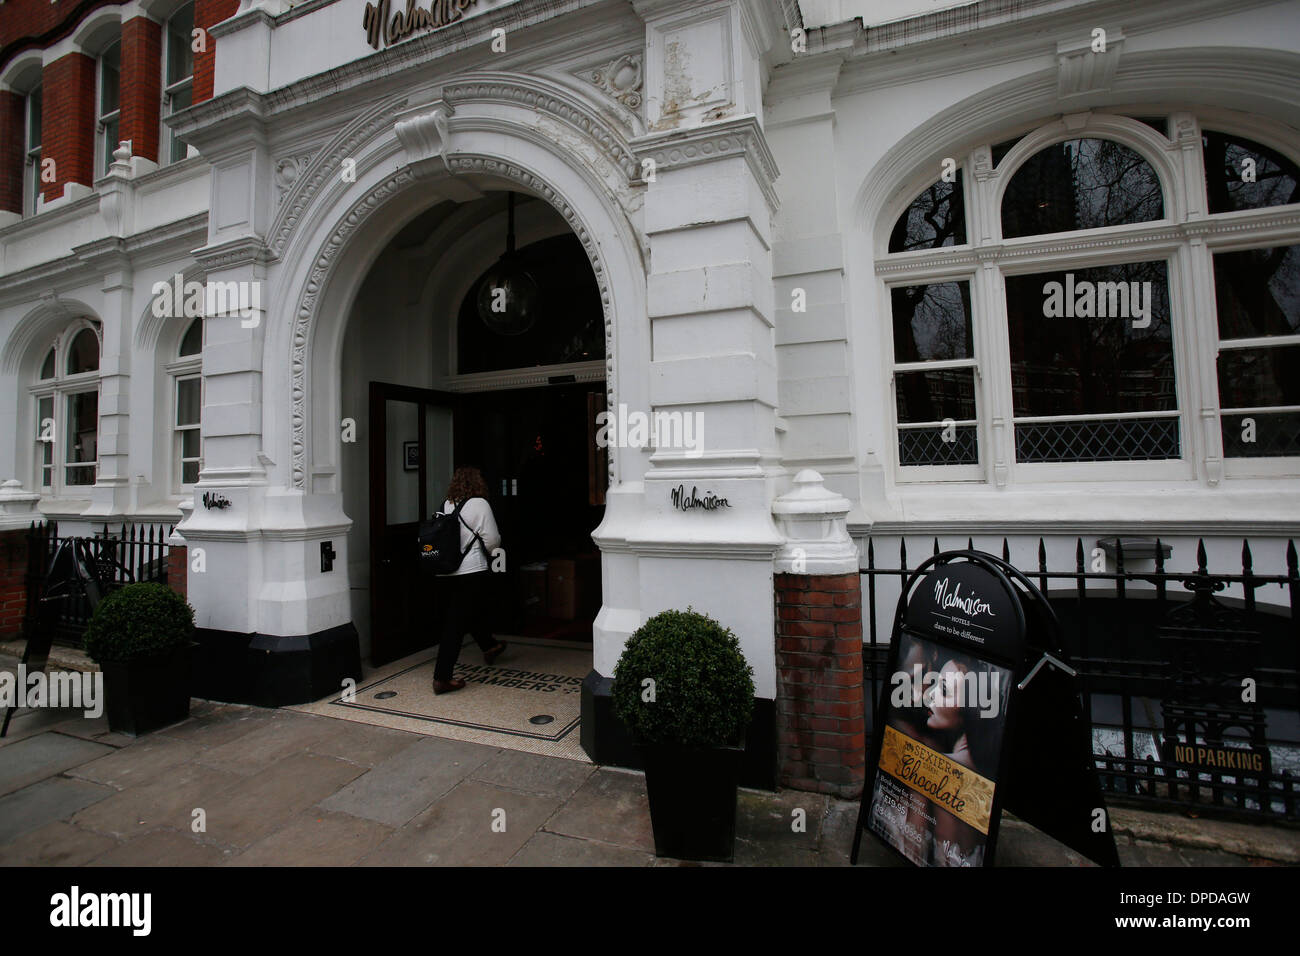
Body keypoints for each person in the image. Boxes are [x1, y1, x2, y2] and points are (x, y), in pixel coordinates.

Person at [432, 466, 506, 695]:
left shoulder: (447, 504)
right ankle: (442, 677)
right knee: (455, 625)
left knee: (467, 613)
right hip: (470, 571)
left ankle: (489, 645)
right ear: (478, 483)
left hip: (446, 572)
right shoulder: (479, 504)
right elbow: (493, 541)